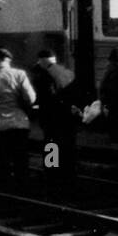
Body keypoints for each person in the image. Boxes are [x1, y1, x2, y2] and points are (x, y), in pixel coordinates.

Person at [0, 48, 36, 185]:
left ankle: (4, 186)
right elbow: (31, 98)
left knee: (2, 159)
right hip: (19, 123)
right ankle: (22, 185)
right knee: (21, 158)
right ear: (9, 60)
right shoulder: (20, 74)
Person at [32, 49, 80, 182]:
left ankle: (51, 173)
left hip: (51, 118)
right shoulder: (68, 73)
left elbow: (45, 97)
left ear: (42, 61)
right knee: (68, 146)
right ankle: (70, 173)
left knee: (51, 145)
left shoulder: (45, 75)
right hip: (69, 118)